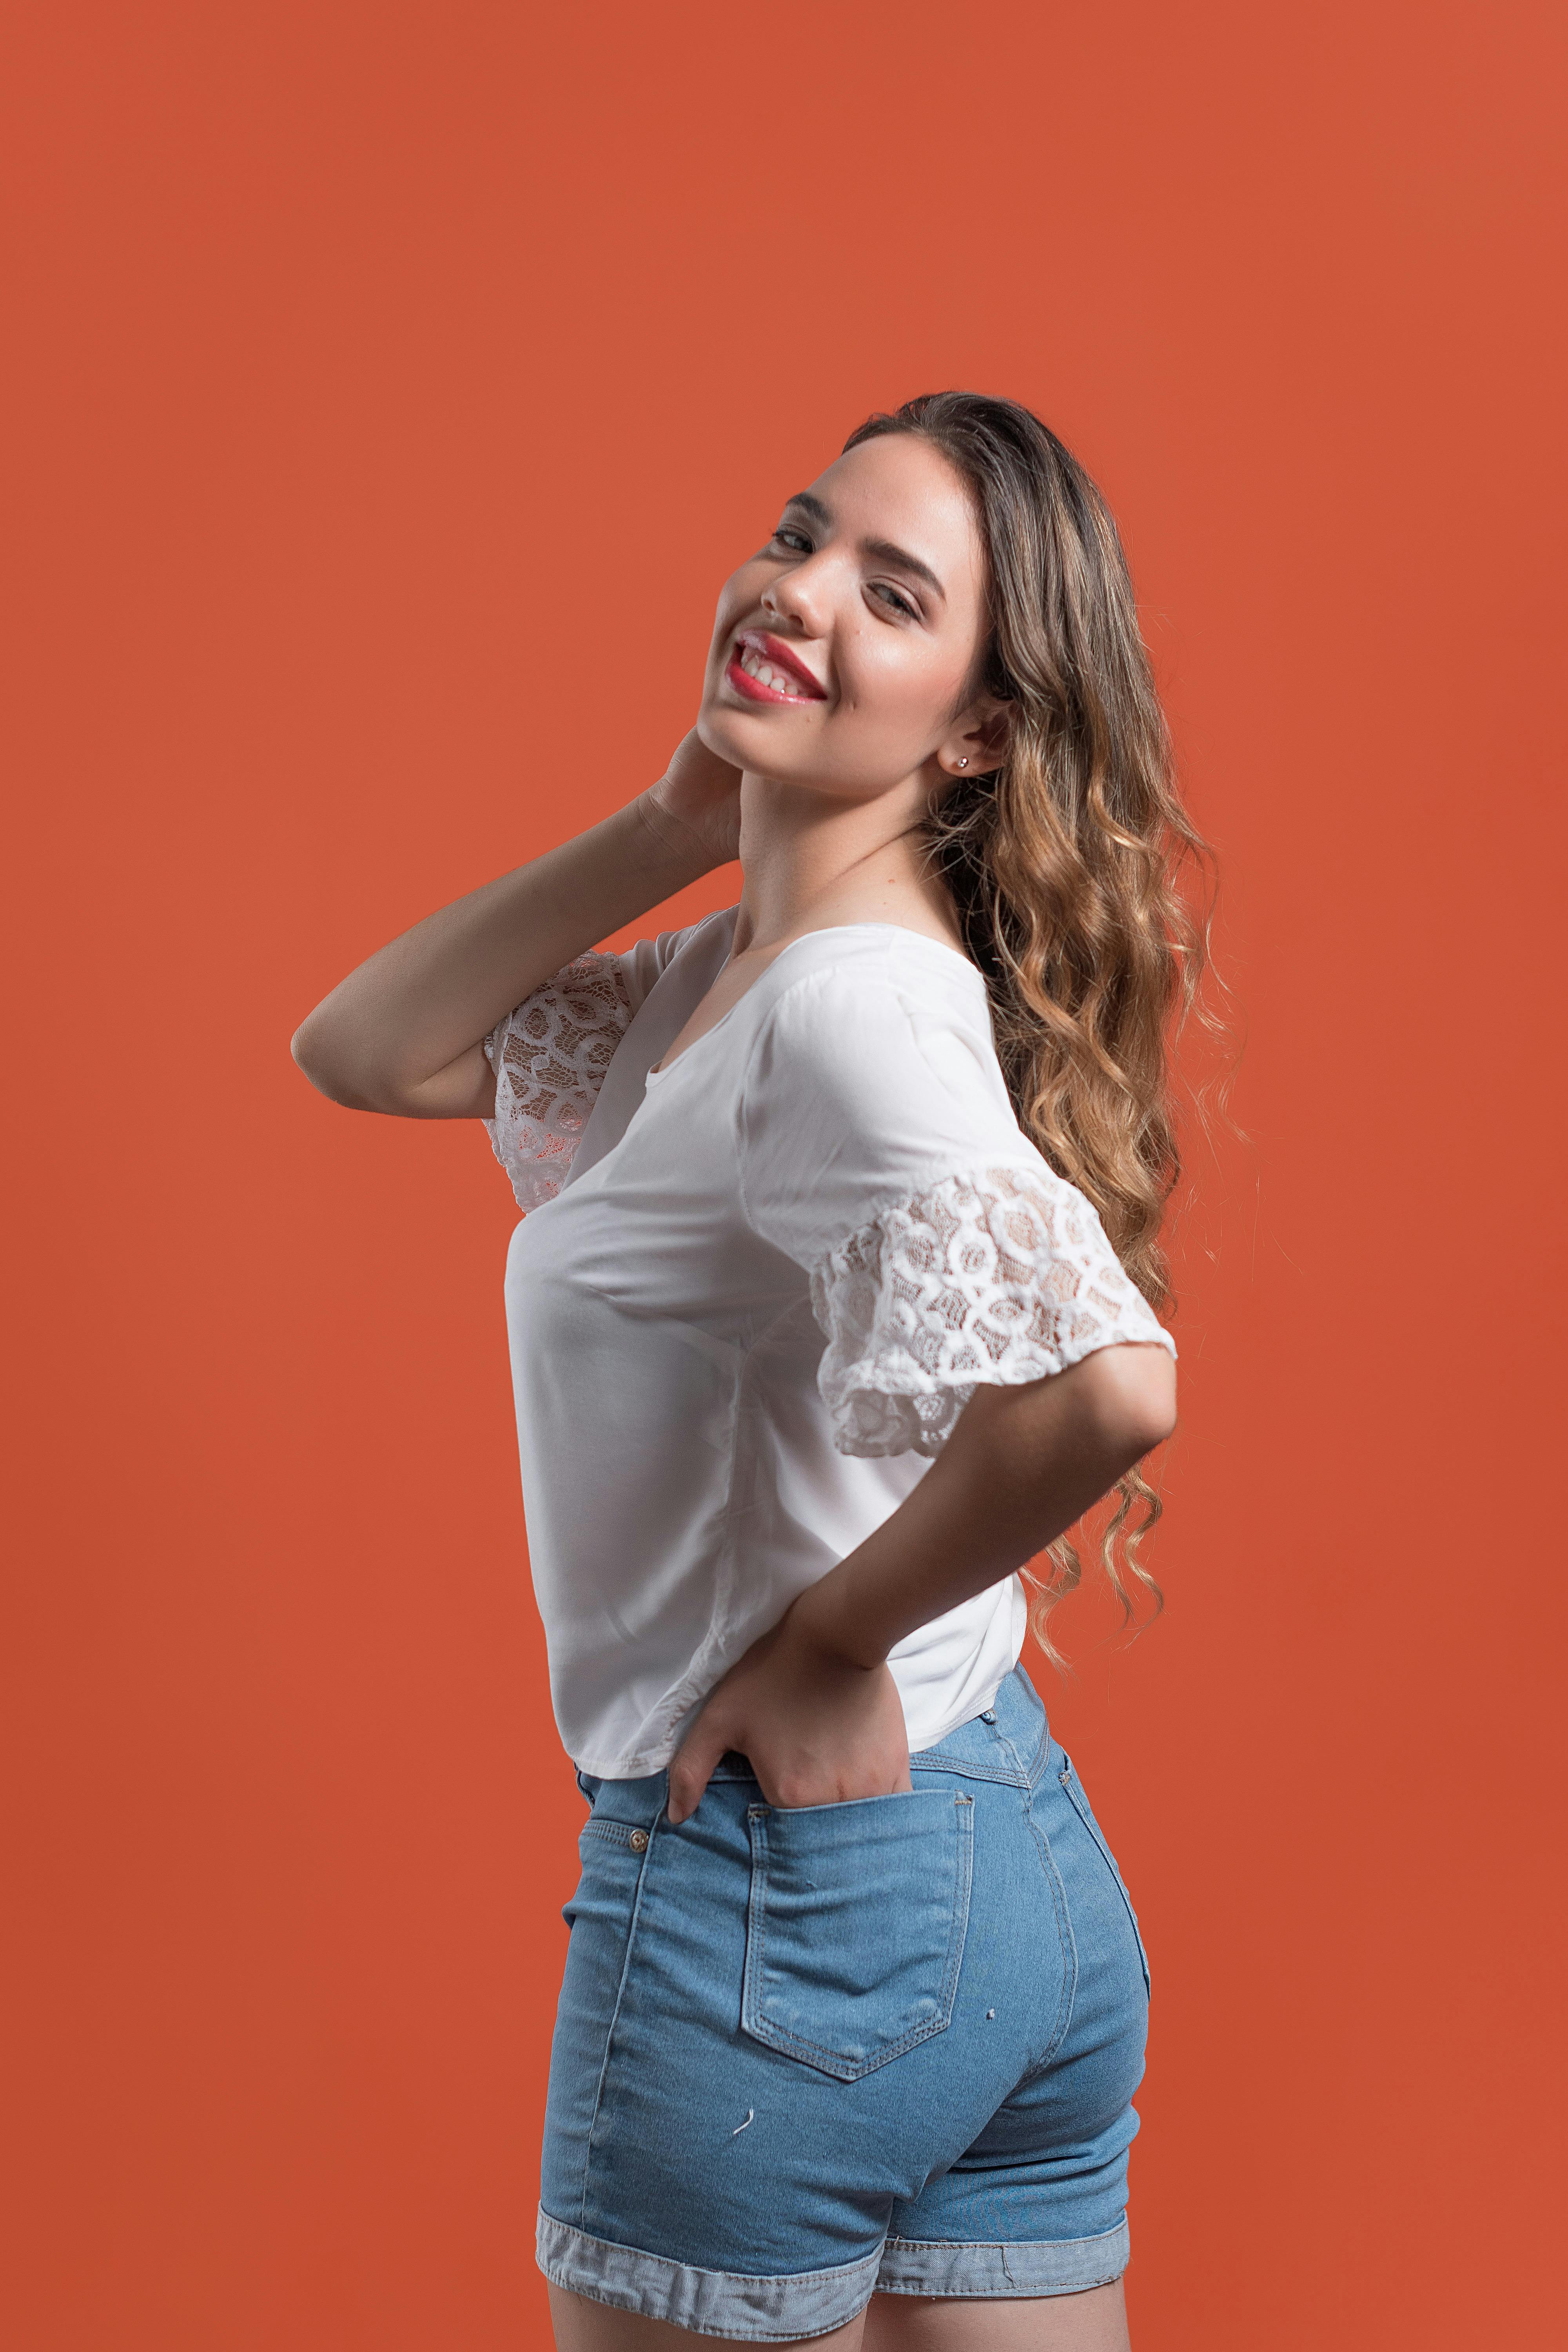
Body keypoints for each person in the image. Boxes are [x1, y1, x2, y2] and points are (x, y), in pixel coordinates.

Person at [292, 391, 1211, 2351]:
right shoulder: (728, 980)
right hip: (1004, 1876)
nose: (797, 594)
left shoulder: (853, 1014)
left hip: (778, 1913)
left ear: (975, 729)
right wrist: (666, 822)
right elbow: (364, 1049)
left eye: (889, 592)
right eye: (799, 535)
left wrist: (826, 1647)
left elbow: (1109, 1388)